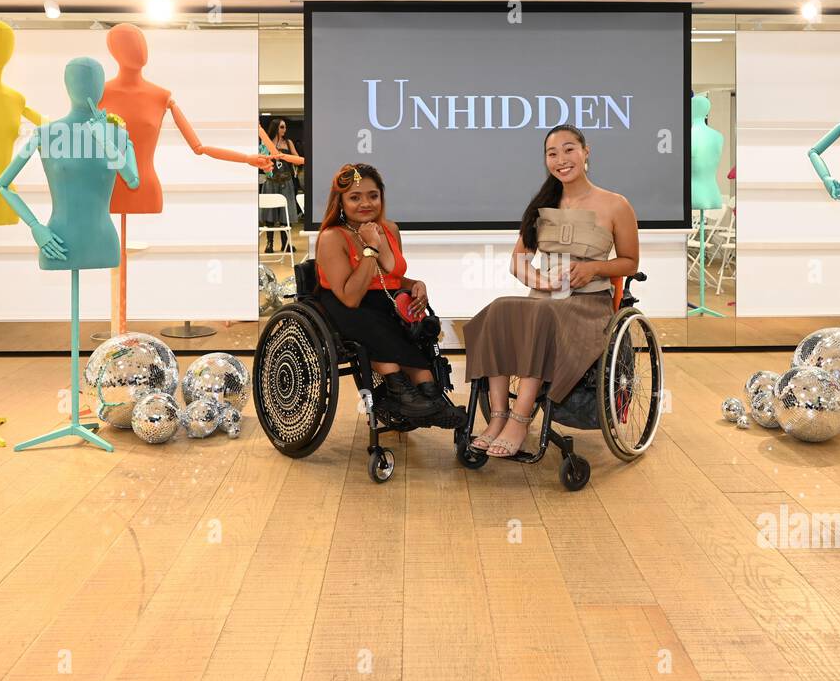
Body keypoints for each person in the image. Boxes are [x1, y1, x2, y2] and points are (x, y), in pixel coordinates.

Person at [463, 124, 640, 457]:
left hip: (590, 305)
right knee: (498, 309)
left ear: (586, 152)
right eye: (552, 153)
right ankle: (497, 416)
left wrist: (594, 268)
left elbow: (629, 262)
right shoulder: (542, 206)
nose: (561, 159)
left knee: (543, 315)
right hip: (546, 298)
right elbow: (518, 261)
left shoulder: (616, 205)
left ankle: (521, 417)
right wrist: (537, 280)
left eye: (569, 149)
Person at [315, 162, 454, 422]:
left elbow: (389, 278)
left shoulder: (389, 229)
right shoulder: (332, 237)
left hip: (384, 300)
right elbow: (350, 296)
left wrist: (413, 284)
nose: (366, 203)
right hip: (347, 305)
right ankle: (402, 395)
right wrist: (371, 247)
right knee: (376, 323)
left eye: (373, 195)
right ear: (340, 202)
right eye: (355, 197)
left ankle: (430, 397)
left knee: (416, 329)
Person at [259, 117, 303, 254]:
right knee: (269, 213)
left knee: (286, 214)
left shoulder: (288, 143)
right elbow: (261, 161)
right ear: (275, 128)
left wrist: (286, 157)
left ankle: (286, 244)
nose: (284, 130)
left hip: (286, 182)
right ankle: (269, 244)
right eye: (282, 127)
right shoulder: (265, 143)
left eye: (285, 127)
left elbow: (297, 160)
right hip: (271, 182)